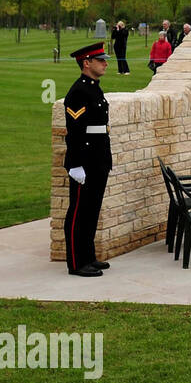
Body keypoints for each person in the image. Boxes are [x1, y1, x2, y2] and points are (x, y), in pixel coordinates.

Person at [62, 42, 113, 277]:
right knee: (79, 212)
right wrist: (75, 164)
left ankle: (88, 256)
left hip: (99, 158)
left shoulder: (94, 88)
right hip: (85, 160)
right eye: (100, 59)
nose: (105, 63)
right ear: (86, 63)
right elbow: (75, 131)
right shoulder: (78, 91)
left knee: (92, 210)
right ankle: (76, 262)